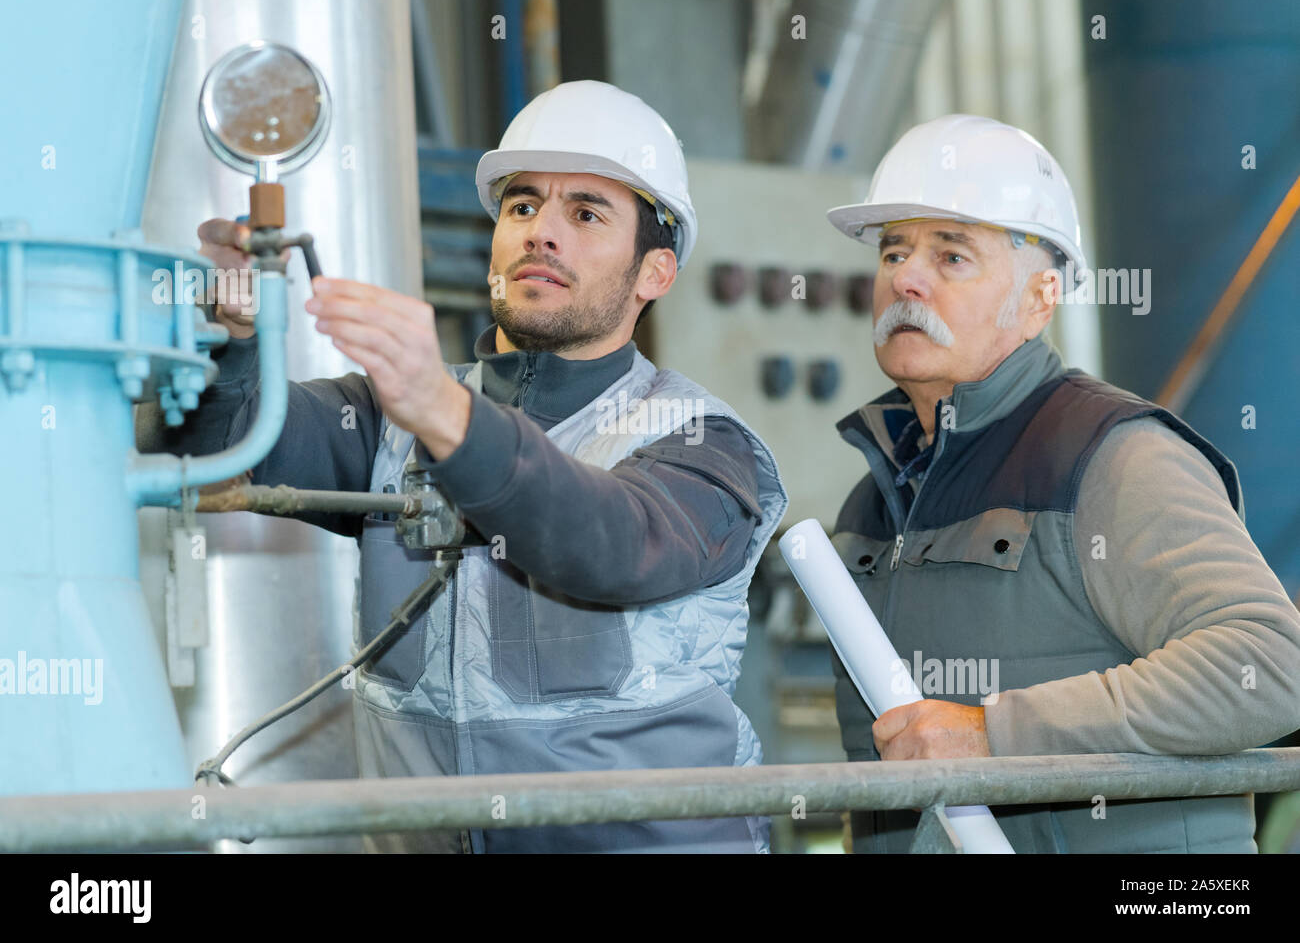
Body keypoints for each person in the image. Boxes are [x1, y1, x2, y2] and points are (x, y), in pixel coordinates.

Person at [141, 80, 787, 853]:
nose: (541, 232)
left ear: (654, 273)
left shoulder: (702, 441)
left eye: (585, 213)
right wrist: (228, 335)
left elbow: (609, 543)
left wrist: (446, 415)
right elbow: (221, 443)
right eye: (521, 206)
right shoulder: (391, 418)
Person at [823, 113, 1300, 853]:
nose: (906, 278)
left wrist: (996, 735)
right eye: (894, 251)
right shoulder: (870, 504)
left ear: (1041, 299)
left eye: (952, 256)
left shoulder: (1113, 457)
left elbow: (1269, 663)